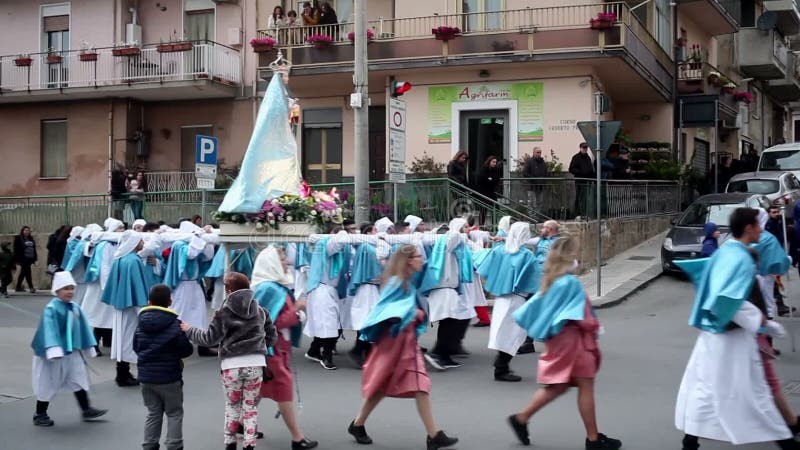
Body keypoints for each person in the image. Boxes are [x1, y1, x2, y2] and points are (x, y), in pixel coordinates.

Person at [673, 208, 798, 450]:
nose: (762, 229)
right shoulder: (738, 257)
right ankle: (787, 443)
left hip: (714, 336)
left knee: (706, 388)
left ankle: (690, 442)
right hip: (732, 338)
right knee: (755, 390)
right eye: (758, 225)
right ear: (749, 228)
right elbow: (728, 298)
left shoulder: (727, 251)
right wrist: (761, 321)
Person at [508, 237, 621, 450]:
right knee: (585, 385)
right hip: (573, 341)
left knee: (558, 386)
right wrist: (594, 327)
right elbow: (582, 315)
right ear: (570, 257)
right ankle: (593, 439)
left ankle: (521, 418)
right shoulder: (570, 283)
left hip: (558, 340)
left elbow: (535, 309)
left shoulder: (551, 281)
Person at [347, 245, 459, 450]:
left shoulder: (405, 282)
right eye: (418, 257)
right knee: (415, 386)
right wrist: (412, 313)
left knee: (408, 386)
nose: (421, 260)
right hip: (395, 343)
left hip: (403, 343)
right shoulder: (397, 283)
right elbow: (385, 311)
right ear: (407, 260)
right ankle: (434, 435)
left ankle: (358, 424)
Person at [181, 272, 277, 450]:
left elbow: (209, 339)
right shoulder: (261, 311)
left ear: (229, 289)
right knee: (250, 407)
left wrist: (189, 330)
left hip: (231, 366)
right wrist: (258, 344)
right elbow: (272, 337)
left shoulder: (223, 313)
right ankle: (249, 444)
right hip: (256, 364)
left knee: (232, 405)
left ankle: (230, 443)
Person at [251, 246, 319, 450]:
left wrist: (295, 312)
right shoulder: (269, 288)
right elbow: (267, 323)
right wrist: (296, 310)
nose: (287, 263)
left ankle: (239, 424)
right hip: (271, 350)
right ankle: (297, 438)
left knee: (259, 389)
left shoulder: (274, 286)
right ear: (271, 263)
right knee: (283, 389)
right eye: (282, 259)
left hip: (276, 348)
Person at [30, 271, 107, 426]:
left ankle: (86, 409)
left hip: (72, 353)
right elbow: (48, 329)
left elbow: (83, 328)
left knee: (78, 378)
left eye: (72, 288)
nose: (70, 292)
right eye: (66, 288)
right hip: (53, 355)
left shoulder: (75, 307)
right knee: (49, 382)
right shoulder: (51, 309)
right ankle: (40, 413)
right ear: (57, 290)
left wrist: (88, 346)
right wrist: (53, 349)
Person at [133, 284, 194, 450]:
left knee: (153, 412)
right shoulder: (175, 324)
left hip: (146, 377)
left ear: (149, 301)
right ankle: (174, 445)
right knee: (174, 412)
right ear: (170, 301)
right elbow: (186, 350)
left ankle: (149, 444)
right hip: (169, 377)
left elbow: (136, 347)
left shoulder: (140, 324)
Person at [478, 222, 539, 382]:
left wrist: (498, 281)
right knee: (513, 333)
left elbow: (483, 269)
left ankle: (501, 365)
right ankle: (501, 367)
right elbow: (533, 282)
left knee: (504, 331)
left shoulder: (498, 251)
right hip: (518, 298)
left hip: (501, 298)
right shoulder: (527, 255)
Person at [102, 230, 151, 387]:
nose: (143, 243)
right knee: (130, 340)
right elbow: (137, 287)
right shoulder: (133, 261)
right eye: (141, 241)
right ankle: (124, 374)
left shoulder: (119, 259)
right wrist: (143, 310)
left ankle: (122, 372)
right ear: (134, 243)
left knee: (121, 339)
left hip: (122, 306)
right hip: (131, 308)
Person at [569, 143, 596, 217]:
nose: (585, 149)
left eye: (586, 148)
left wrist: (593, 179)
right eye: (583, 148)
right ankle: (577, 214)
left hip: (588, 181)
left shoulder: (588, 157)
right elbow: (571, 169)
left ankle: (585, 213)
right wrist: (581, 172)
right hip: (580, 181)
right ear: (580, 148)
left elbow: (591, 169)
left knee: (586, 198)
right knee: (579, 197)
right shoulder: (576, 157)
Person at [14, 225, 37, 293]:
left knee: (23, 272)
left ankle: (18, 287)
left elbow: (34, 248)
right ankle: (31, 287)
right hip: (23, 258)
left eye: (28, 230)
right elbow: (16, 249)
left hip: (30, 258)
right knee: (27, 272)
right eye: (26, 230)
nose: (27, 232)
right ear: (22, 231)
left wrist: (34, 258)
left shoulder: (31, 238)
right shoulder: (19, 238)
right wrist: (16, 259)